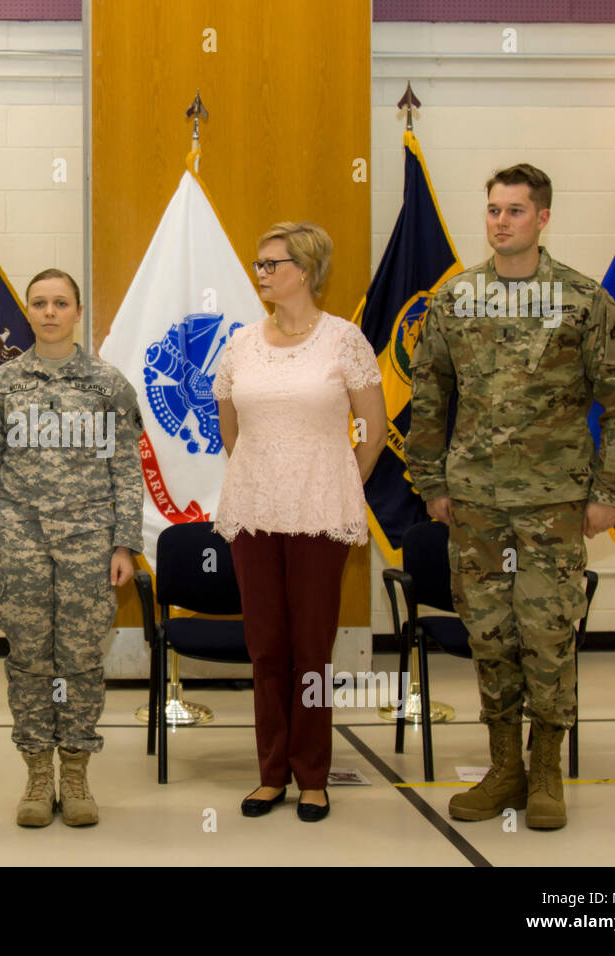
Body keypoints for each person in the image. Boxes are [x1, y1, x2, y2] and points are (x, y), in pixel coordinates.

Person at [406, 164, 615, 829]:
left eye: (515, 211)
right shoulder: (455, 300)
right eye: (492, 210)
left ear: (542, 218)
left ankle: (546, 770)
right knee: (490, 638)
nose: (501, 222)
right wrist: (431, 484)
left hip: (553, 508)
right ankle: (503, 766)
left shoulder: (582, 300)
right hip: (476, 508)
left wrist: (609, 493)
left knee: (546, 637)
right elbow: (428, 401)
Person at [214, 221, 387, 823]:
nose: (261, 272)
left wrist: (338, 480)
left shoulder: (344, 340)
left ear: (306, 269)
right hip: (254, 508)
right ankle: (270, 775)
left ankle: (312, 775)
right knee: (266, 648)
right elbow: (229, 426)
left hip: (320, 511)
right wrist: (269, 472)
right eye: (258, 264)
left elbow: (372, 430)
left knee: (311, 650)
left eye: (272, 263)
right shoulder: (239, 343)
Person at [0, 268, 142, 828]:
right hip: (18, 542)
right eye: (39, 303)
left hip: (90, 543)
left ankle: (76, 773)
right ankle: (38, 776)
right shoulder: (0, 386)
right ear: (28, 311)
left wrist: (126, 544)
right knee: (31, 661)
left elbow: (127, 469)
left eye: (60, 303)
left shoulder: (108, 385)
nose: (49, 312)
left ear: (78, 312)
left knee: (83, 660)